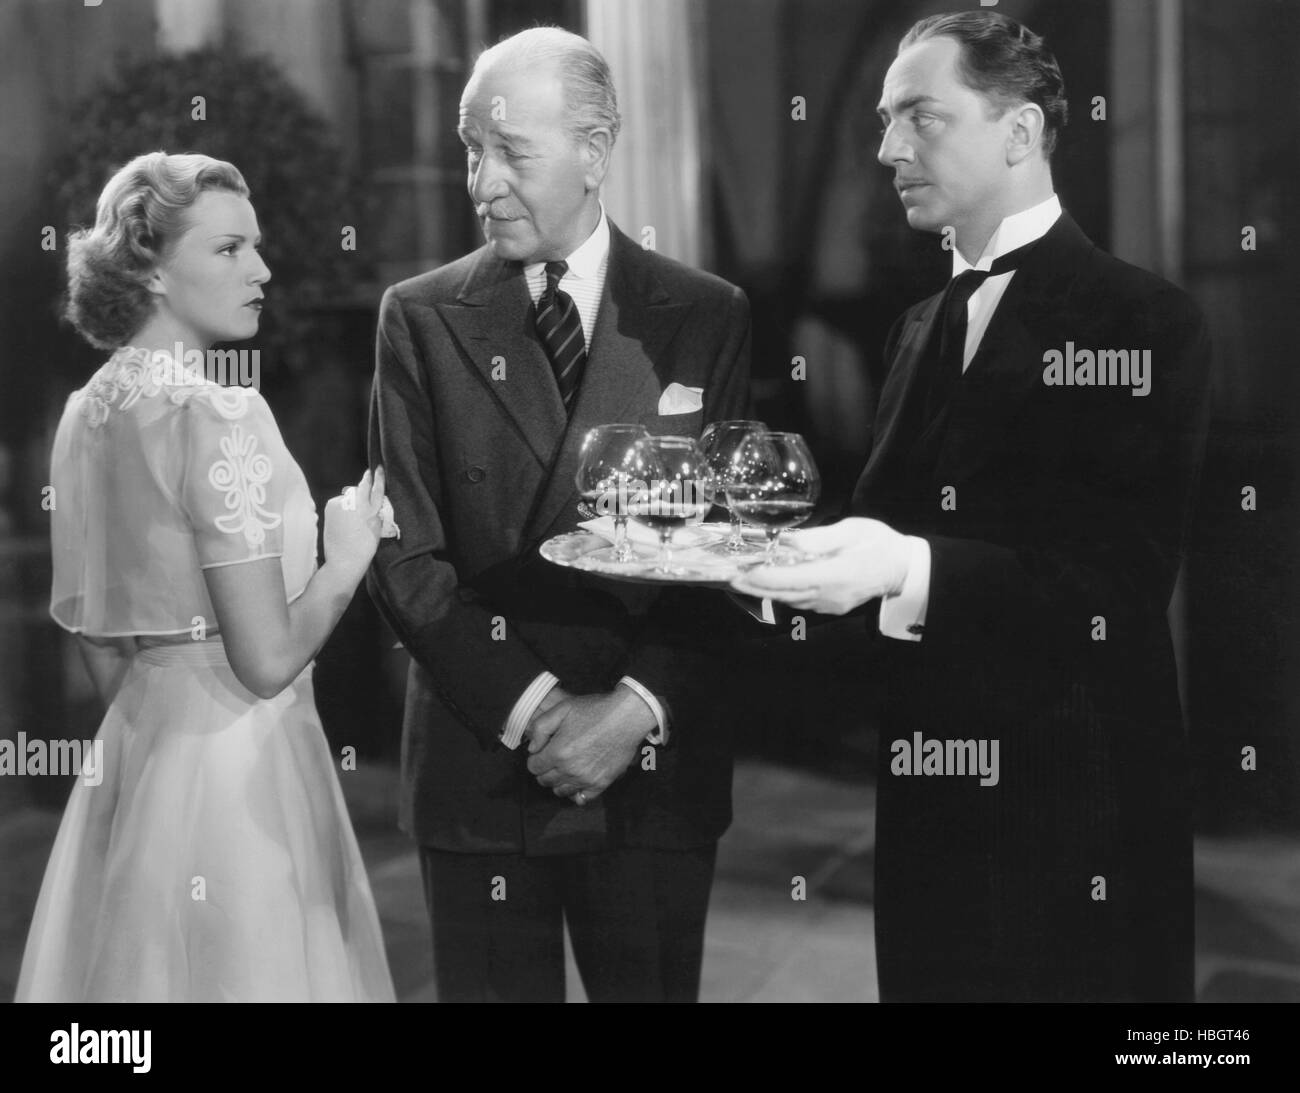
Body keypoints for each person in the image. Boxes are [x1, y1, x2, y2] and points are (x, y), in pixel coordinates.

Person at [735, 11, 1211, 1001]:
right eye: (880, 120)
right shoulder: (918, 324)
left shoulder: (1143, 318)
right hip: (927, 812)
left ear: (1021, 133)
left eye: (919, 117)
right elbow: (887, 547)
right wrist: (765, 577)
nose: (883, 149)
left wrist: (901, 567)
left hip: (1079, 811)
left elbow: (1114, 585)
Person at [368, 27, 750, 1002]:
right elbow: (406, 559)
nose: (480, 182)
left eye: (511, 153)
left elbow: (736, 544)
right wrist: (541, 712)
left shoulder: (706, 314)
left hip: (651, 768)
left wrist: (630, 713)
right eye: (469, 150)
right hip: (481, 757)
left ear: (595, 147)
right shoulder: (419, 316)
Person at [16, 152, 395, 1002]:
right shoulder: (221, 412)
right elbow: (265, 663)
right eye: (229, 250)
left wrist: (160, 725)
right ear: (151, 270)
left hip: (140, 758)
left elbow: (97, 639)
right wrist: (346, 561)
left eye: (256, 247)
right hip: (242, 768)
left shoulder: (84, 414)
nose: (262, 269)